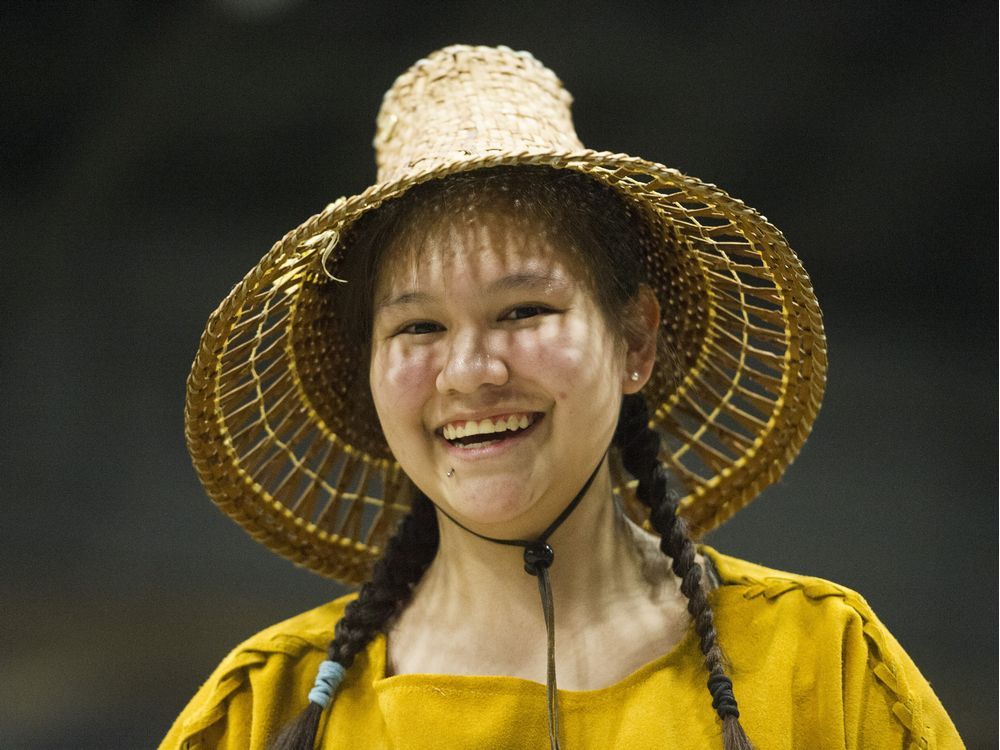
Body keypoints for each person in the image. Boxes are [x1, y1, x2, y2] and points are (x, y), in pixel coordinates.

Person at [161, 46, 963, 750]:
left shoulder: (822, 667)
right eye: (418, 328)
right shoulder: (262, 712)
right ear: (369, 372)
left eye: (524, 312)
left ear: (636, 342)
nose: (470, 372)